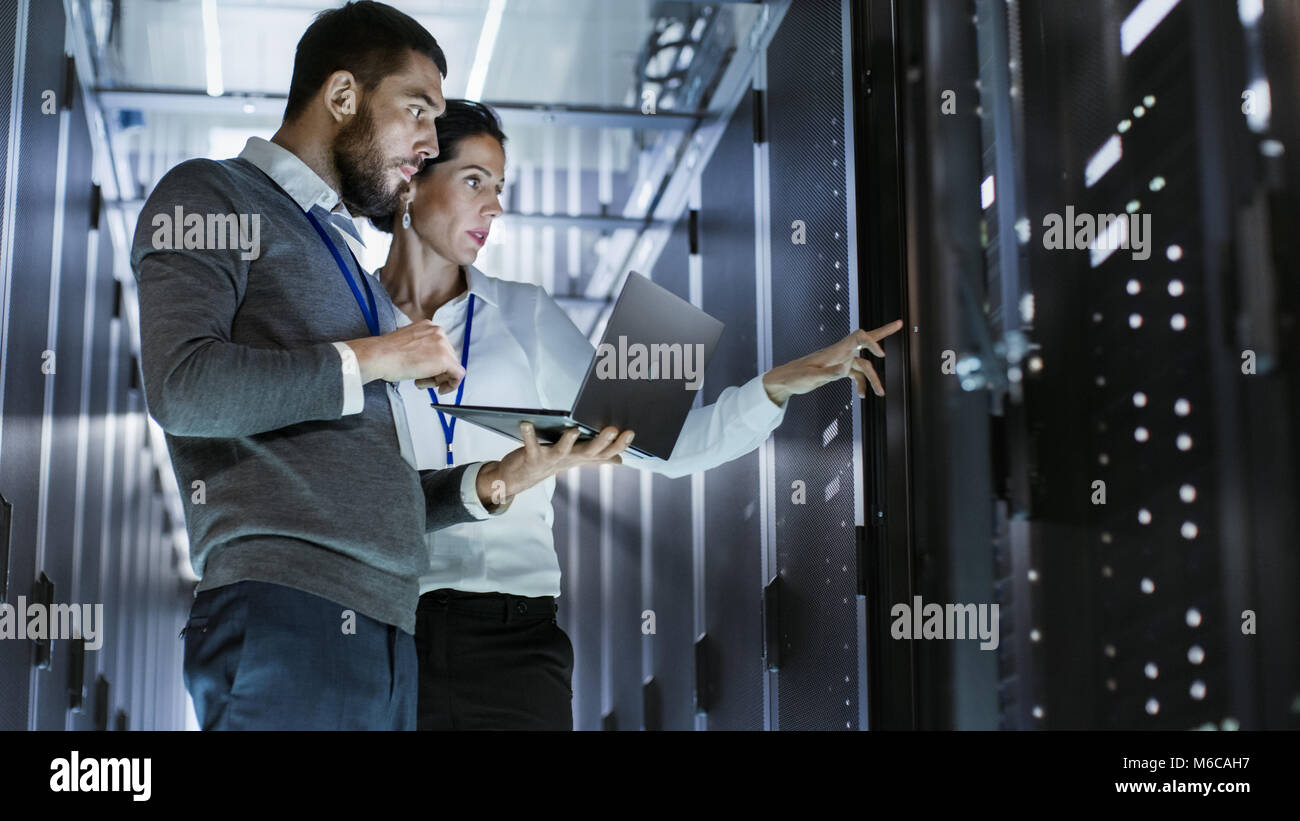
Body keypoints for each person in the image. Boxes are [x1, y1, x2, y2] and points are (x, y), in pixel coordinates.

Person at [130, 3, 629, 731]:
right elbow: (184, 387)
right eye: (417, 111)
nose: (428, 143)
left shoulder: (348, 269)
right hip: (287, 609)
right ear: (341, 97)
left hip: (389, 633)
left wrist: (494, 483)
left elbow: (373, 485)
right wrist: (383, 355)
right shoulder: (212, 196)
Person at [373, 99, 904, 730]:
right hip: (384, 631)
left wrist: (777, 386)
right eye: (473, 181)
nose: (494, 206)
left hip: (512, 639)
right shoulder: (350, 321)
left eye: (500, 187)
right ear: (412, 180)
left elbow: (664, 446)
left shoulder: (526, 315)